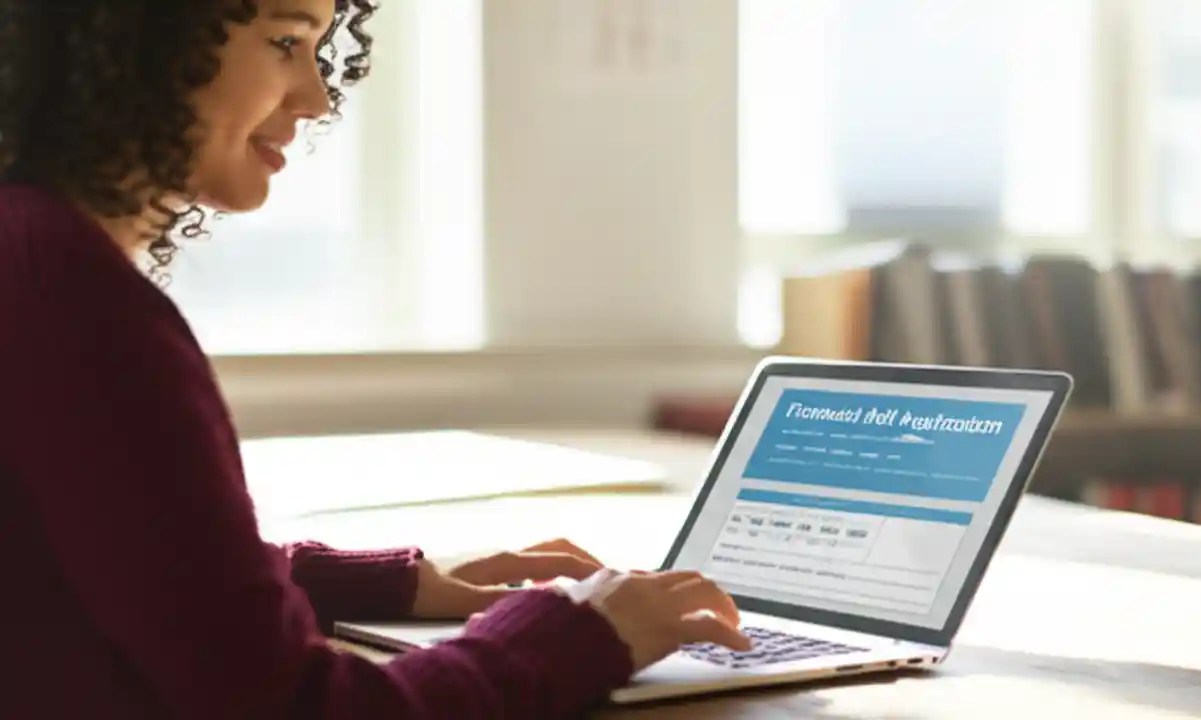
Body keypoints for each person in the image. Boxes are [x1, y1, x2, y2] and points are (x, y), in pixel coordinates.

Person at [0, 1, 749, 717]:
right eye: (287, 42)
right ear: (144, 37)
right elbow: (298, 708)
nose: (318, 97)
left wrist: (403, 582)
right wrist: (581, 632)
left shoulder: (29, 252)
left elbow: (115, 566)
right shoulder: (75, 298)